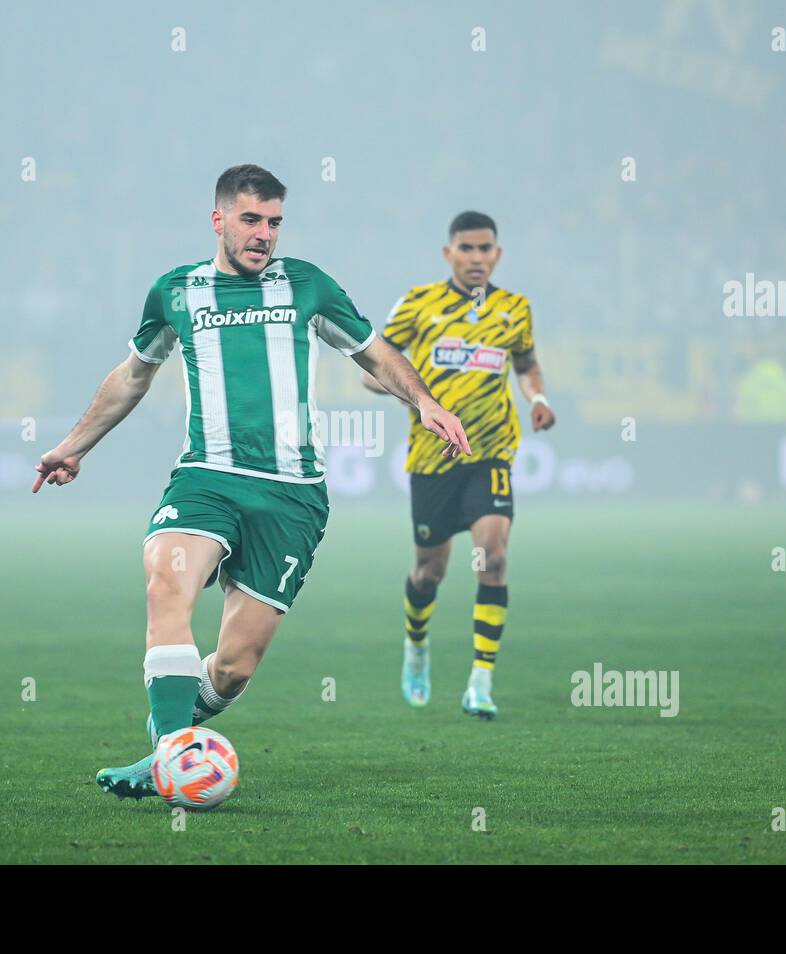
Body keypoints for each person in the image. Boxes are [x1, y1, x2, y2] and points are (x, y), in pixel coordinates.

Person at [33, 165, 471, 797]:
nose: (264, 234)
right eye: (250, 219)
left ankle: (170, 740)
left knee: (233, 669)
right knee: (166, 581)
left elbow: (374, 352)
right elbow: (133, 375)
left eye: (274, 222)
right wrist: (72, 448)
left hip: (291, 495)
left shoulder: (307, 285)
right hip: (206, 477)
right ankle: (169, 760)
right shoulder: (176, 293)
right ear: (218, 220)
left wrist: (422, 402)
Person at [362, 211, 555, 719]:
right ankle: (417, 647)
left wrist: (537, 395)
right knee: (430, 572)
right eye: (466, 249)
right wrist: (401, 390)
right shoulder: (418, 305)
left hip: (489, 451)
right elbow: (374, 366)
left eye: (485, 248)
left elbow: (525, 362)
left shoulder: (515, 309)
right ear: (448, 253)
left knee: (493, 557)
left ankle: (480, 681)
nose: (476, 258)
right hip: (432, 458)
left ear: (498, 254)